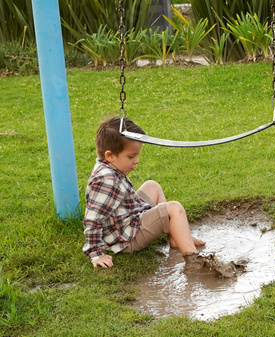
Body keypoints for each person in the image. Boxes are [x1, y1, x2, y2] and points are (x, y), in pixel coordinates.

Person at [83, 116, 208, 271]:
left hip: (128, 217)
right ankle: (194, 262)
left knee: (152, 186)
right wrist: (95, 253)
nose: (136, 161)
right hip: (127, 238)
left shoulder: (108, 167)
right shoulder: (106, 180)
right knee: (174, 208)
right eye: (131, 156)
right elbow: (92, 220)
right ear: (110, 156)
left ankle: (175, 238)